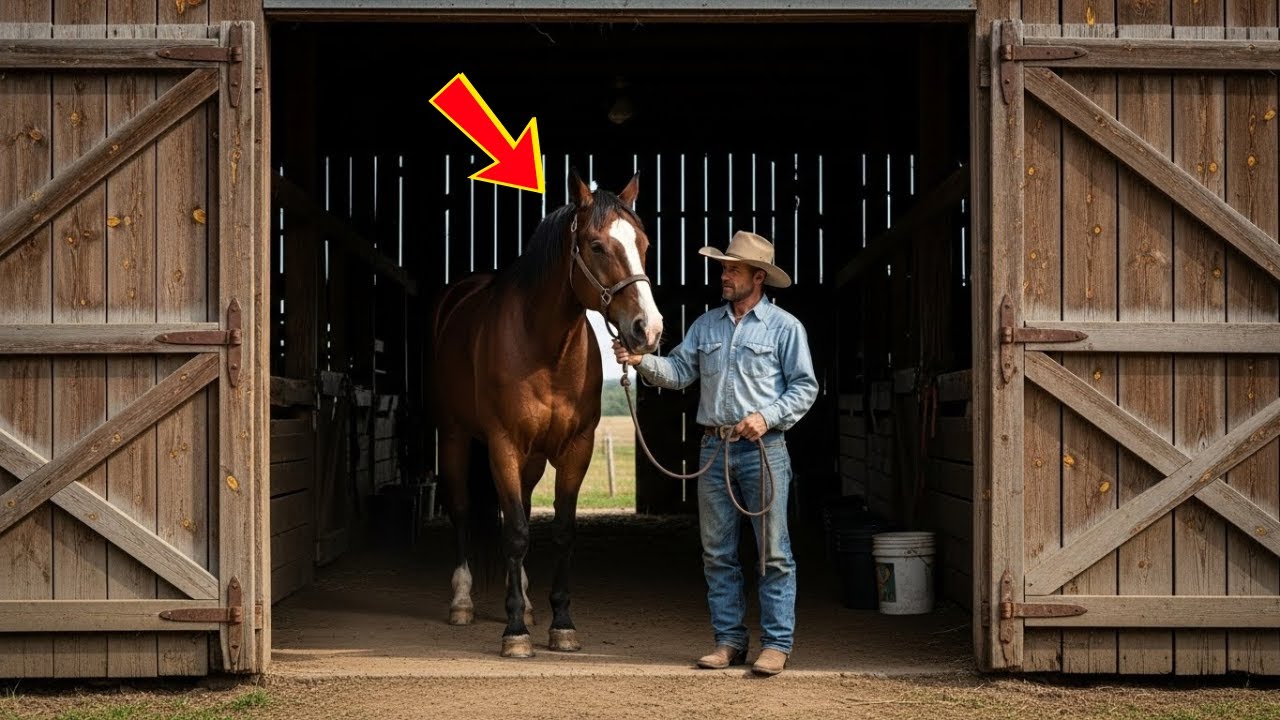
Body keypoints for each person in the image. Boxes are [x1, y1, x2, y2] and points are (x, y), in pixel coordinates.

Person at [613, 230, 818, 677]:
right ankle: (729, 641)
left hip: (764, 450)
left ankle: (776, 644)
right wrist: (640, 360)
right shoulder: (706, 326)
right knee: (717, 554)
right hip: (714, 448)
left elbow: (805, 387)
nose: (724, 276)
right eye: (723, 268)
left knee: (773, 553)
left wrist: (767, 416)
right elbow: (678, 371)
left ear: (758, 277)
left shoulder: (785, 328)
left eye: (733, 270)